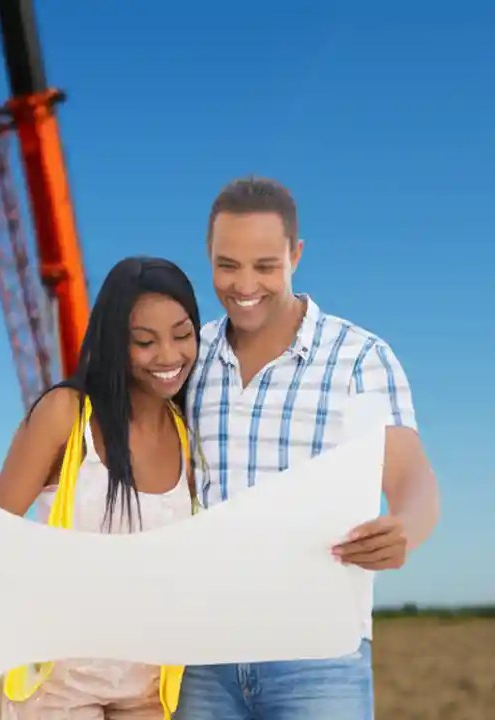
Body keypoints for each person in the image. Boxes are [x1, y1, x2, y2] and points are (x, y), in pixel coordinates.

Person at [173, 176, 441, 719]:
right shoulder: (185, 357)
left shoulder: (361, 357)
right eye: (228, 265)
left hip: (318, 655)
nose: (245, 283)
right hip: (198, 653)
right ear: (208, 257)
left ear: (296, 255)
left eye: (266, 265)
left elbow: (412, 477)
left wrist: (405, 528)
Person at [0, 255, 205, 720]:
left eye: (182, 335)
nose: (168, 356)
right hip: (57, 688)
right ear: (113, 343)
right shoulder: (67, 414)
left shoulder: (187, 434)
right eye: (145, 342)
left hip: (150, 688)